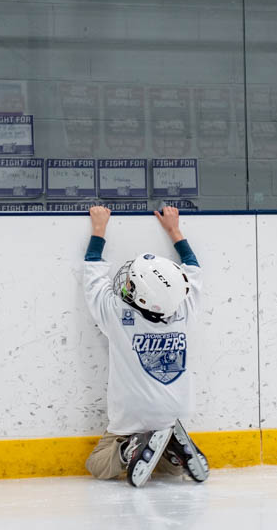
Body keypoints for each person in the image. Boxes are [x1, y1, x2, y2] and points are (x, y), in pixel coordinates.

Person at [81, 204, 209, 488]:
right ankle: (174, 456)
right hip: (176, 411)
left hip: (132, 415)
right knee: (168, 472)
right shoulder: (185, 308)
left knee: (98, 464)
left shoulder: (117, 314)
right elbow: (194, 270)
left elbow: (93, 278)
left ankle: (130, 448)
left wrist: (99, 229)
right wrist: (174, 230)